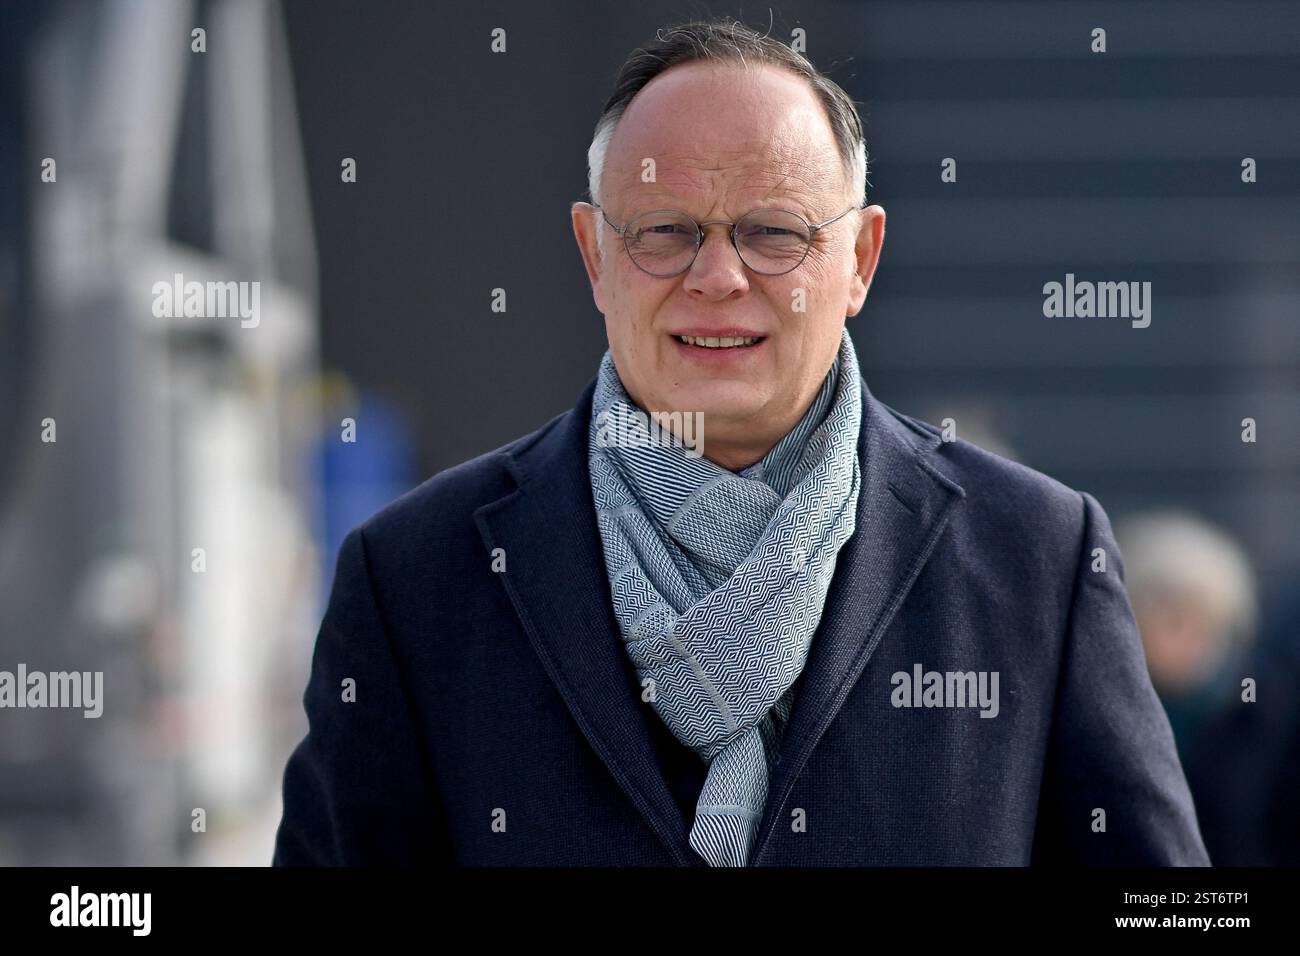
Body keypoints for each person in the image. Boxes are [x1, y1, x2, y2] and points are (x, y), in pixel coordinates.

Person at [273, 18, 1209, 866]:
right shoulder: (416, 581)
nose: (716, 277)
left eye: (773, 233)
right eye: (666, 231)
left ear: (861, 261)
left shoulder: (1037, 559)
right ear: (594, 256)